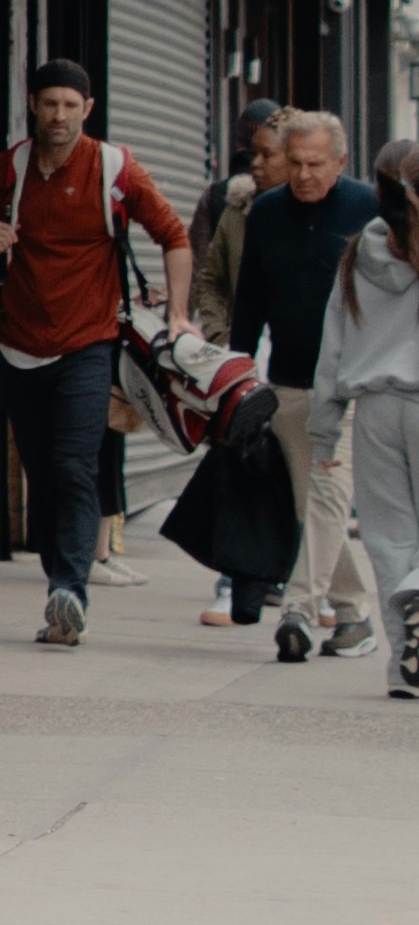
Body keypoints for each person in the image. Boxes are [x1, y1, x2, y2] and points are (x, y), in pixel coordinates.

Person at [0, 65, 190, 644]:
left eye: (70, 105)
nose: (59, 116)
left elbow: (174, 236)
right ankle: (59, 588)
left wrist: (179, 315)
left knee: (74, 466)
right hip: (18, 345)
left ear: (88, 107)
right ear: (32, 104)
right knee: (41, 472)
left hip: (89, 342)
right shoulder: (7, 169)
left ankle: (69, 590)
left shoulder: (115, 169)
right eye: (49, 104)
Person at [226, 108, 375, 665]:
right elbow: (251, 299)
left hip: (349, 382)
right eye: (297, 163)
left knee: (329, 492)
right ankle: (356, 616)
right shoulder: (265, 213)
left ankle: (299, 610)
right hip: (288, 378)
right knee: (307, 502)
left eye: (317, 164)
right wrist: (238, 372)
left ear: (340, 161)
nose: (306, 174)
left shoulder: (369, 210)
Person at [191, 106, 292, 623]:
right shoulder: (236, 212)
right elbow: (209, 278)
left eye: (266, 155)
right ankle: (235, 582)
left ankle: (317, 590)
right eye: (253, 153)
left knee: (297, 479)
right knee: (239, 466)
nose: (255, 164)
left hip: (300, 368)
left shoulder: (321, 214)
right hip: (242, 362)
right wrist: (216, 331)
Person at [335, 149, 419, 707]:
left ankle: (403, 664)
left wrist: (322, 428)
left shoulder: (357, 255)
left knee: (387, 537)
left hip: (375, 409)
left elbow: (332, 341)